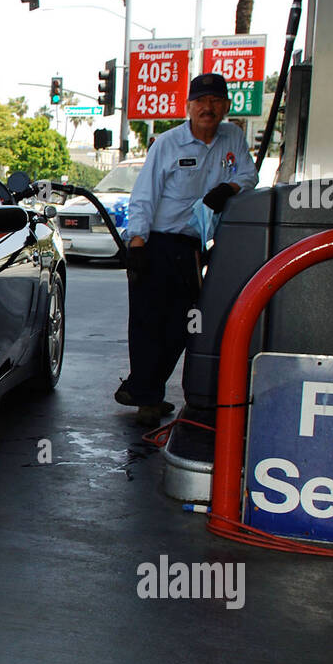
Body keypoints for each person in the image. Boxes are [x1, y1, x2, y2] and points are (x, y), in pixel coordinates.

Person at [114, 73, 258, 425]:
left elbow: (249, 175)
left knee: (184, 325)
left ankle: (143, 386)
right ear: (189, 106)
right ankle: (147, 397)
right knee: (149, 323)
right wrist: (137, 244)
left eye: (215, 101)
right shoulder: (168, 144)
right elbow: (144, 195)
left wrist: (229, 188)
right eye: (201, 101)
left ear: (225, 106)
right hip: (156, 242)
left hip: (193, 248)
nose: (208, 108)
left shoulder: (232, 137)